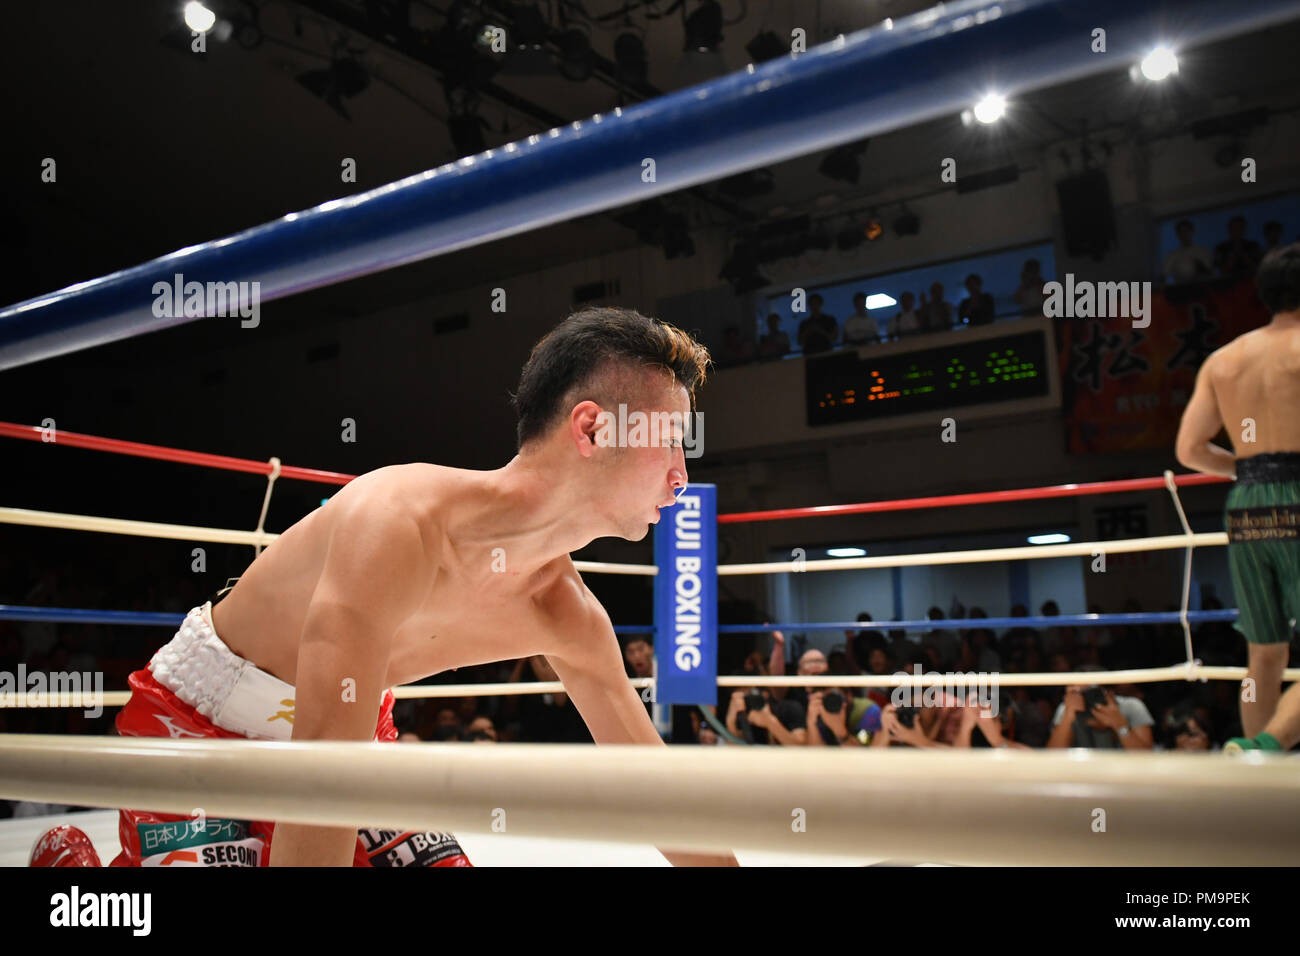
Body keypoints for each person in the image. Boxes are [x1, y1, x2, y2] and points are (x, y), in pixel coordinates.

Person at [33, 306, 736, 869]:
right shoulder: (398, 520)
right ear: (591, 428)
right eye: (670, 436)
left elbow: (649, 788)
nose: (682, 471)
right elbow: (322, 779)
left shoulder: (567, 616)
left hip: (346, 737)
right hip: (200, 726)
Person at [1175, 244, 1300, 743]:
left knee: (1264, 652)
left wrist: (1247, 469)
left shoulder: (1224, 360)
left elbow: (1189, 449)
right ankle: (1266, 746)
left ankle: (1255, 769)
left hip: (1247, 501)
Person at [1161, 219, 1213, 284]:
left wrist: (1199, 267)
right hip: (1181, 289)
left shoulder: (1202, 251)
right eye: (1181, 232)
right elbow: (1163, 275)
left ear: (1192, 231)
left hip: (1200, 287)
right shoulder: (1173, 255)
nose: (1184, 234)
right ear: (1178, 234)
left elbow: (1210, 272)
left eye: (1186, 231)